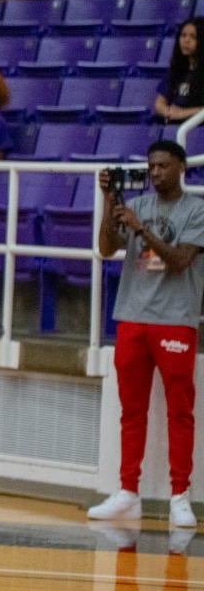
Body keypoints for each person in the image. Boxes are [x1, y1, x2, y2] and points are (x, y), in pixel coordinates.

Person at [87, 143, 204, 528]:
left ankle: (180, 496)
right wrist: (109, 203)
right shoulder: (135, 203)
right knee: (131, 410)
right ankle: (127, 493)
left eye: (164, 166)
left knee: (180, 412)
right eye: (151, 166)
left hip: (174, 319)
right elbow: (106, 249)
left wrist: (142, 230)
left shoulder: (197, 209)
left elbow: (180, 261)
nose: (155, 173)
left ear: (182, 168)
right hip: (132, 317)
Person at [154, 17, 204, 124]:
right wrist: (167, 111)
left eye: (193, 37)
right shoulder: (176, 70)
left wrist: (182, 113)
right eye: (183, 35)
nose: (186, 40)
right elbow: (160, 101)